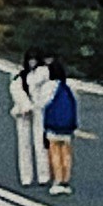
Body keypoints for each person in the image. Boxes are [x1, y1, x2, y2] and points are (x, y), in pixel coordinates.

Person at [8, 56, 48, 191]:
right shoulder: (19, 77)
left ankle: (44, 175)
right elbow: (16, 91)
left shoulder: (43, 74)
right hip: (23, 112)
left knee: (40, 143)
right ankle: (26, 177)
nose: (32, 62)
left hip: (39, 111)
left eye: (35, 59)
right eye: (30, 60)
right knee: (24, 144)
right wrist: (25, 105)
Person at [42, 58, 81, 193]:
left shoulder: (48, 86)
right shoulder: (70, 86)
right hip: (67, 126)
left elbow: (42, 103)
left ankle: (57, 180)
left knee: (55, 152)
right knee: (66, 153)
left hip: (53, 125)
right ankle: (66, 180)